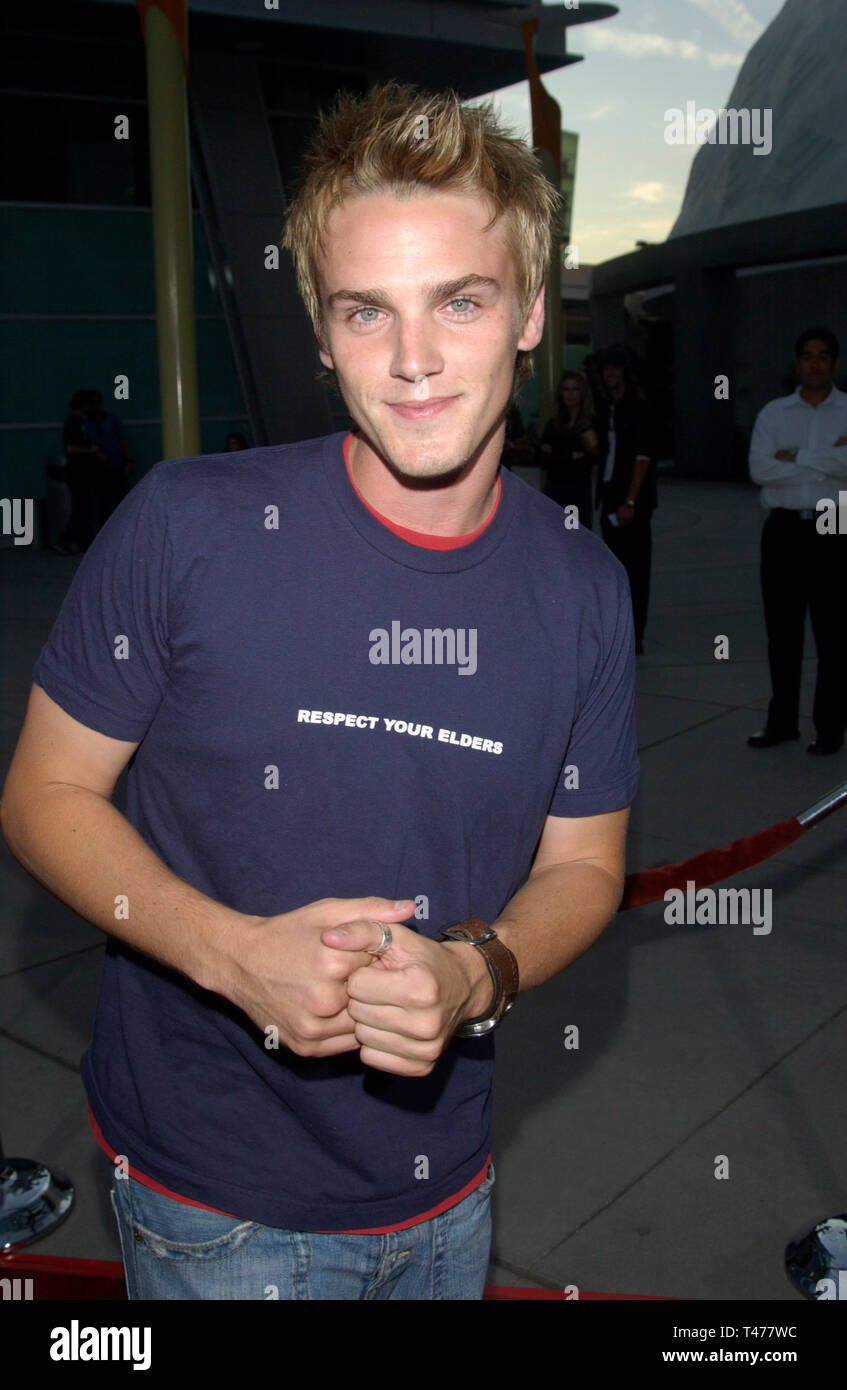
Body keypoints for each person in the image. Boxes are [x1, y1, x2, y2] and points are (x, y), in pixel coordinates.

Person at [0, 81, 639, 1301]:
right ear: (320, 328)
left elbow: (584, 868)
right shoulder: (188, 527)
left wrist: (476, 972)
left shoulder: (583, 585)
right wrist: (232, 956)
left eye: (459, 300)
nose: (411, 361)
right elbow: (44, 794)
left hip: (450, 1190)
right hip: (213, 1204)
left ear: (529, 314)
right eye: (364, 311)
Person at [747, 327, 847, 754]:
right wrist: (831, 462)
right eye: (807, 355)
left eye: (823, 355)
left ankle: (829, 729)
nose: (815, 363)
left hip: (835, 521)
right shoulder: (774, 413)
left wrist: (796, 458)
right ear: (797, 362)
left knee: (834, 635)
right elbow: (760, 469)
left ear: (834, 363)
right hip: (785, 528)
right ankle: (782, 722)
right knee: (783, 632)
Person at [595, 347, 657, 654]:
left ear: (625, 372)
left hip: (632, 502)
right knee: (613, 570)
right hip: (609, 497)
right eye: (606, 369)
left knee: (636, 569)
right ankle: (619, 633)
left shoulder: (638, 407)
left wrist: (631, 502)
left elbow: (643, 458)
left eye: (615, 369)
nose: (610, 374)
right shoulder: (608, 407)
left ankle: (636, 635)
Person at [539, 369, 600, 528]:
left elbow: (591, 460)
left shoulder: (590, 424)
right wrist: (570, 456)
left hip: (577, 494)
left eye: (575, 389)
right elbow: (541, 459)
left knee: (573, 537)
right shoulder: (554, 424)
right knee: (554, 537)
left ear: (583, 393)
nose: (570, 394)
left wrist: (556, 454)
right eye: (566, 389)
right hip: (553, 493)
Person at [56, 390, 105, 554]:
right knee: (80, 507)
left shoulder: (79, 421)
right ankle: (68, 540)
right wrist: (92, 450)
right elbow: (71, 448)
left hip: (81, 472)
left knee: (83, 507)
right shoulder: (75, 422)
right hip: (78, 473)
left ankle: (77, 542)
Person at [84, 390, 133, 530]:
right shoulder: (86, 423)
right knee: (104, 504)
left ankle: (124, 531)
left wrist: (129, 460)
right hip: (100, 469)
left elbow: (124, 440)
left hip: (117, 464)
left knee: (122, 502)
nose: (94, 408)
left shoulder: (111, 419)